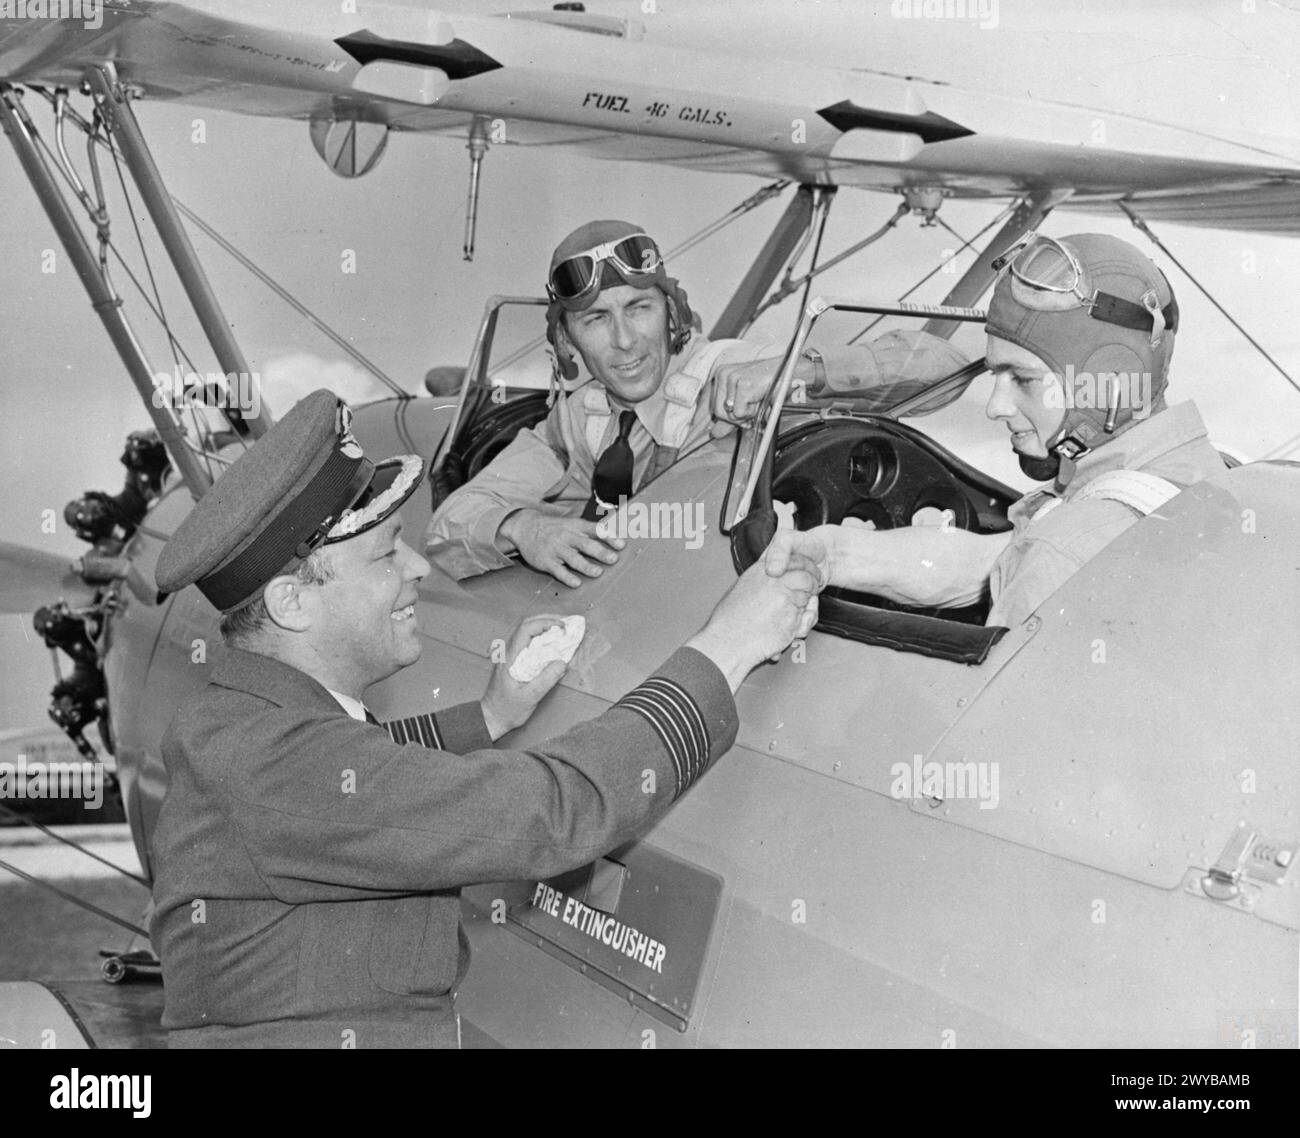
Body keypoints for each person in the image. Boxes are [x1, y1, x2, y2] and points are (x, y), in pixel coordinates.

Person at [149, 388, 821, 1048]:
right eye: (387, 553)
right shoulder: (278, 767)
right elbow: (549, 815)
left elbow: (366, 769)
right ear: (293, 602)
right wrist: (728, 646)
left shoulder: (246, 724)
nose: (417, 568)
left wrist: (492, 716)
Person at [424, 218, 965, 585]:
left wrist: (803, 370)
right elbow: (449, 525)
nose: (625, 340)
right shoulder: (578, 421)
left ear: (673, 314)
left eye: (639, 308)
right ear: (567, 341)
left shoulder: (732, 374)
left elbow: (945, 368)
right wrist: (523, 527)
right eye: (596, 319)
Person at [767, 232, 1227, 627]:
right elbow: (994, 560)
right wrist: (834, 555)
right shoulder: (1205, 474)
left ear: (1110, 381)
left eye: (1022, 379)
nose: (995, 406)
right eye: (995, 377)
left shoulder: (1060, 555)